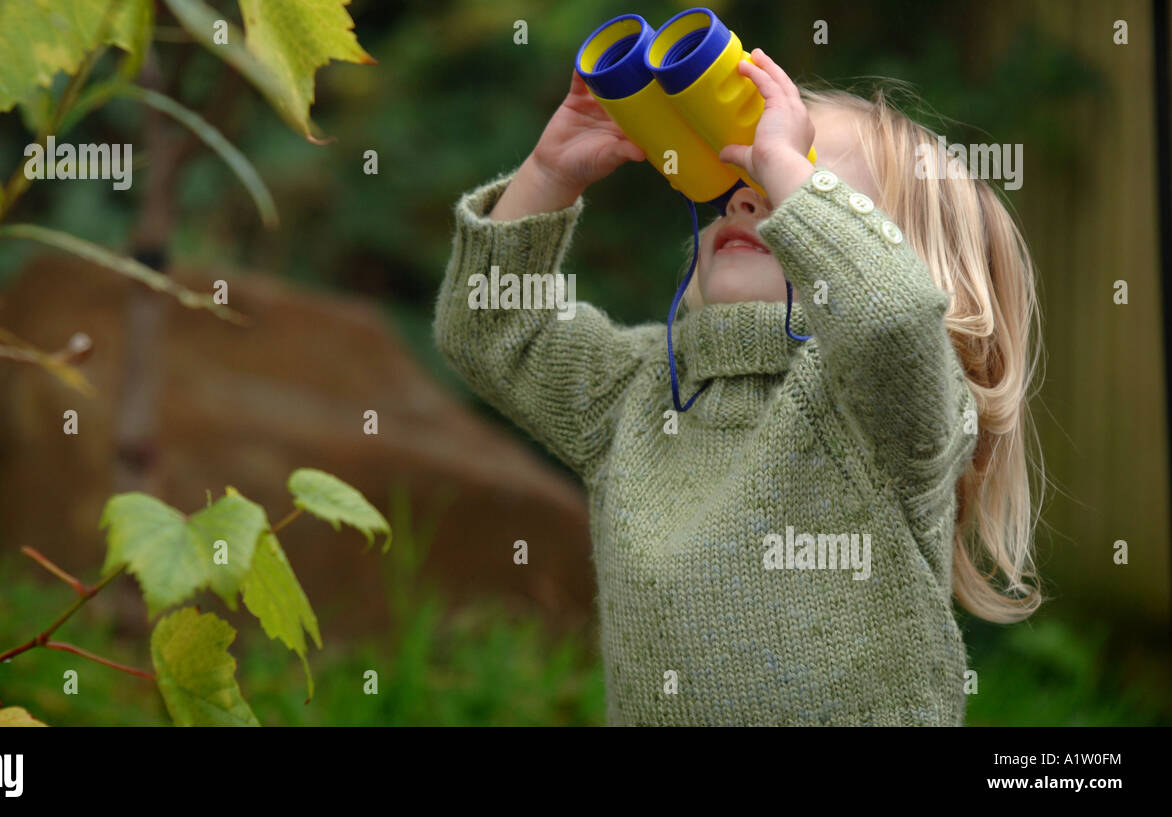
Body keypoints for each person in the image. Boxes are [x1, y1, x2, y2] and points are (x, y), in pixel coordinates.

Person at [433, 48, 1044, 725]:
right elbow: (491, 330)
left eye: (797, 184)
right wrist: (548, 175)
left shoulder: (885, 415)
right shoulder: (638, 392)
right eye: (734, 182)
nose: (748, 195)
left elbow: (890, 322)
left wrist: (787, 171)